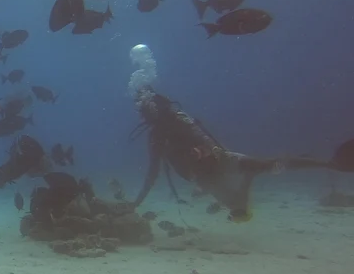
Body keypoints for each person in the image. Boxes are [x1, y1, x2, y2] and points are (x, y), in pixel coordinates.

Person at [131, 91, 330, 222]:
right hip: (208, 173)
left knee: (267, 166)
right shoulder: (160, 134)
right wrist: (136, 203)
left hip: (217, 164)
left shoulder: (174, 123)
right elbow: (154, 170)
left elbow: (154, 171)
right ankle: (252, 175)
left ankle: (325, 163)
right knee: (241, 209)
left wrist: (136, 203)